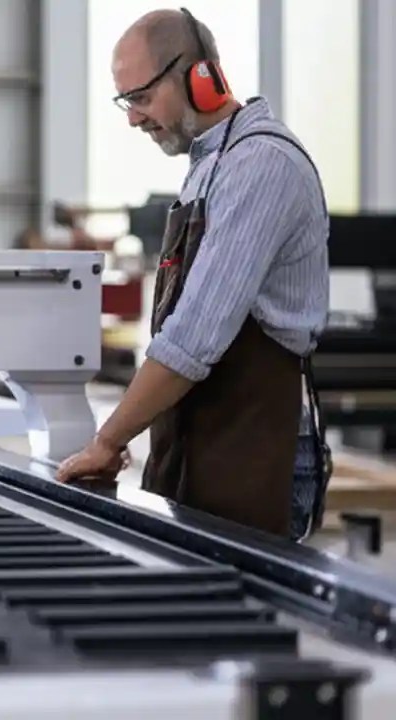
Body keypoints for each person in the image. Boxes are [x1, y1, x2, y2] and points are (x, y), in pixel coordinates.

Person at [54, 7, 332, 541]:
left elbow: (193, 338)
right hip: (196, 449)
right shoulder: (208, 166)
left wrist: (108, 441)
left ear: (200, 76)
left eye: (141, 97)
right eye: (126, 102)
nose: (133, 118)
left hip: (250, 457)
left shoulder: (261, 166)